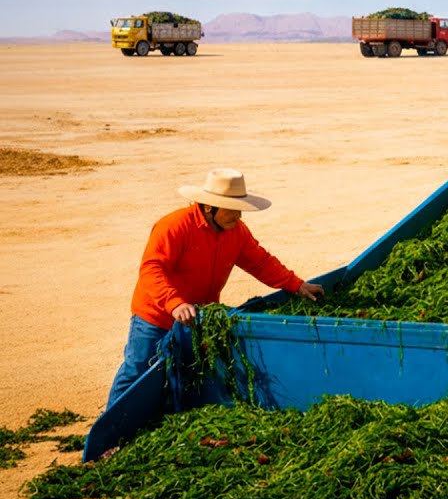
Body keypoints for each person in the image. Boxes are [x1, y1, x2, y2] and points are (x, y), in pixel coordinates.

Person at [106, 168, 324, 407]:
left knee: (187, 375)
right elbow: (152, 268)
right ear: (209, 207)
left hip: (197, 319)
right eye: (231, 209)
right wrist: (174, 303)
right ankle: (109, 427)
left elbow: (261, 263)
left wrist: (296, 285)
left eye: (240, 209)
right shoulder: (174, 226)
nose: (238, 216)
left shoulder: (236, 232)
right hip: (156, 316)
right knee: (137, 372)